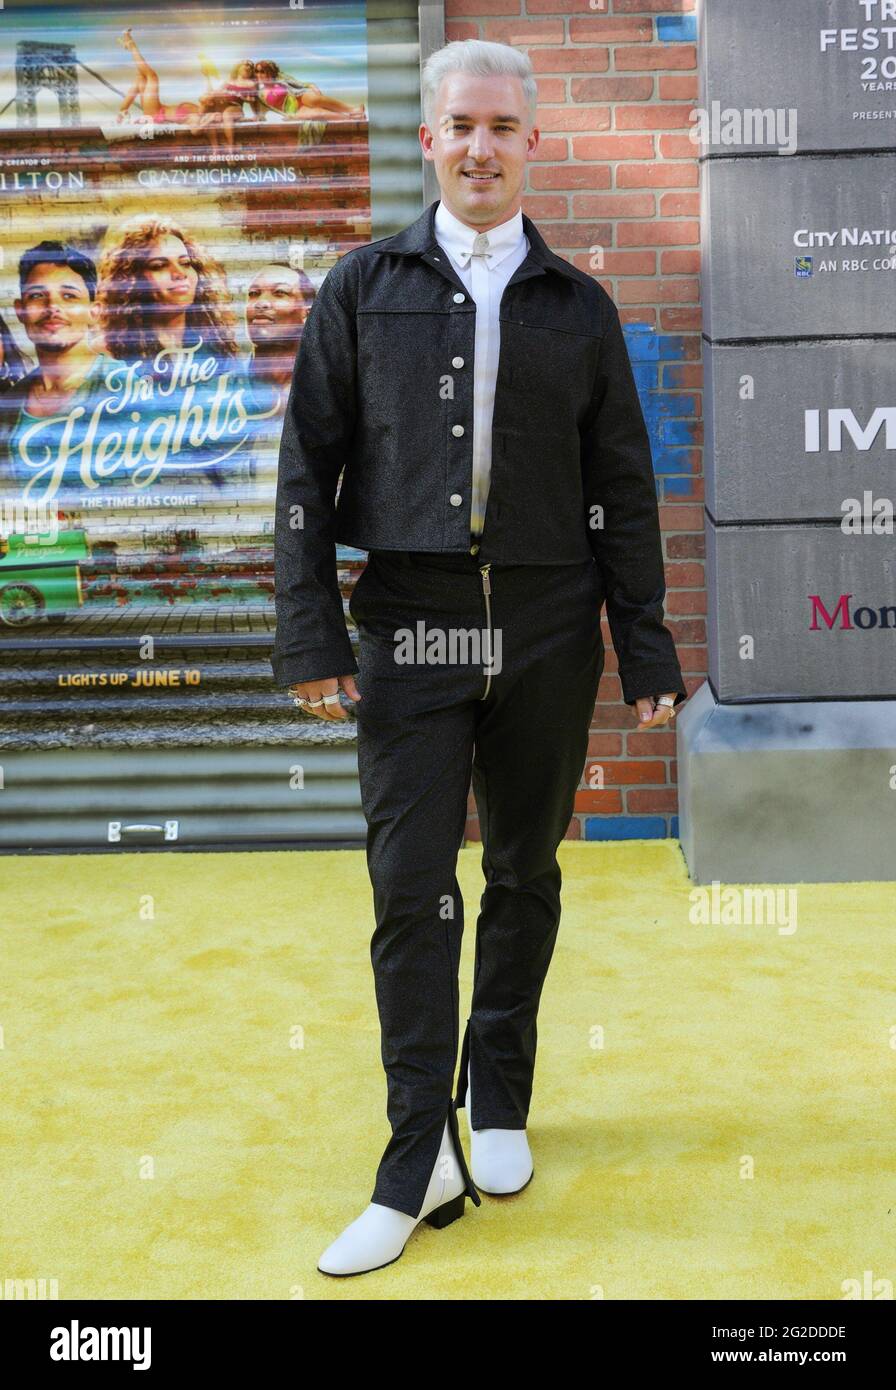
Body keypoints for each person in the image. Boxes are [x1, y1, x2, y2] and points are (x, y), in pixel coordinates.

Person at [271, 38, 688, 1277]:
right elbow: (307, 470)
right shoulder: (361, 287)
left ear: (530, 144)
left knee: (521, 869)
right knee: (409, 885)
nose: (479, 146)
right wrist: (309, 630)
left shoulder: (578, 304)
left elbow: (621, 481)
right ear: (427, 139)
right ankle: (418, 1154)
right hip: (408, 621)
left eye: (503, 126)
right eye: (460, 125)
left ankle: (496, 1094)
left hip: (548, 627)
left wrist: (645, 642)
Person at [7, 242, 128, 503]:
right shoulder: (9, 402)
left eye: (69, 296)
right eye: (37, 296)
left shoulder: (126, 387)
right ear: (20, 310)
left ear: (94, 312)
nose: (53, 308)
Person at [254, 60, 365, 121]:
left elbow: (302, 84)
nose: (259, 75)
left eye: (262, 71)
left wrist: (314, 87)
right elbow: (262, 112)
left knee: (316, 99)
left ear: (270, 72)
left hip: (299, 96)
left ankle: (352, 110)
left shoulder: (282, 79)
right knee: (317, 113)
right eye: (257, 72)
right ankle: (350, 118)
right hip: (293, 111)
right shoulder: (260, 94)